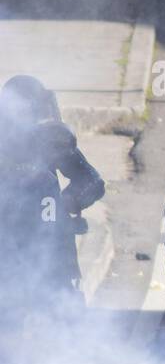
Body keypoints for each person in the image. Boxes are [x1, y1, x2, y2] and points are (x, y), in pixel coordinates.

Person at [0, 75, 104, 296]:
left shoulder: (48, 139)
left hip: (51, 251)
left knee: (65, 316)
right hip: (7, 250)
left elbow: (92, 182)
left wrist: (65, 204)